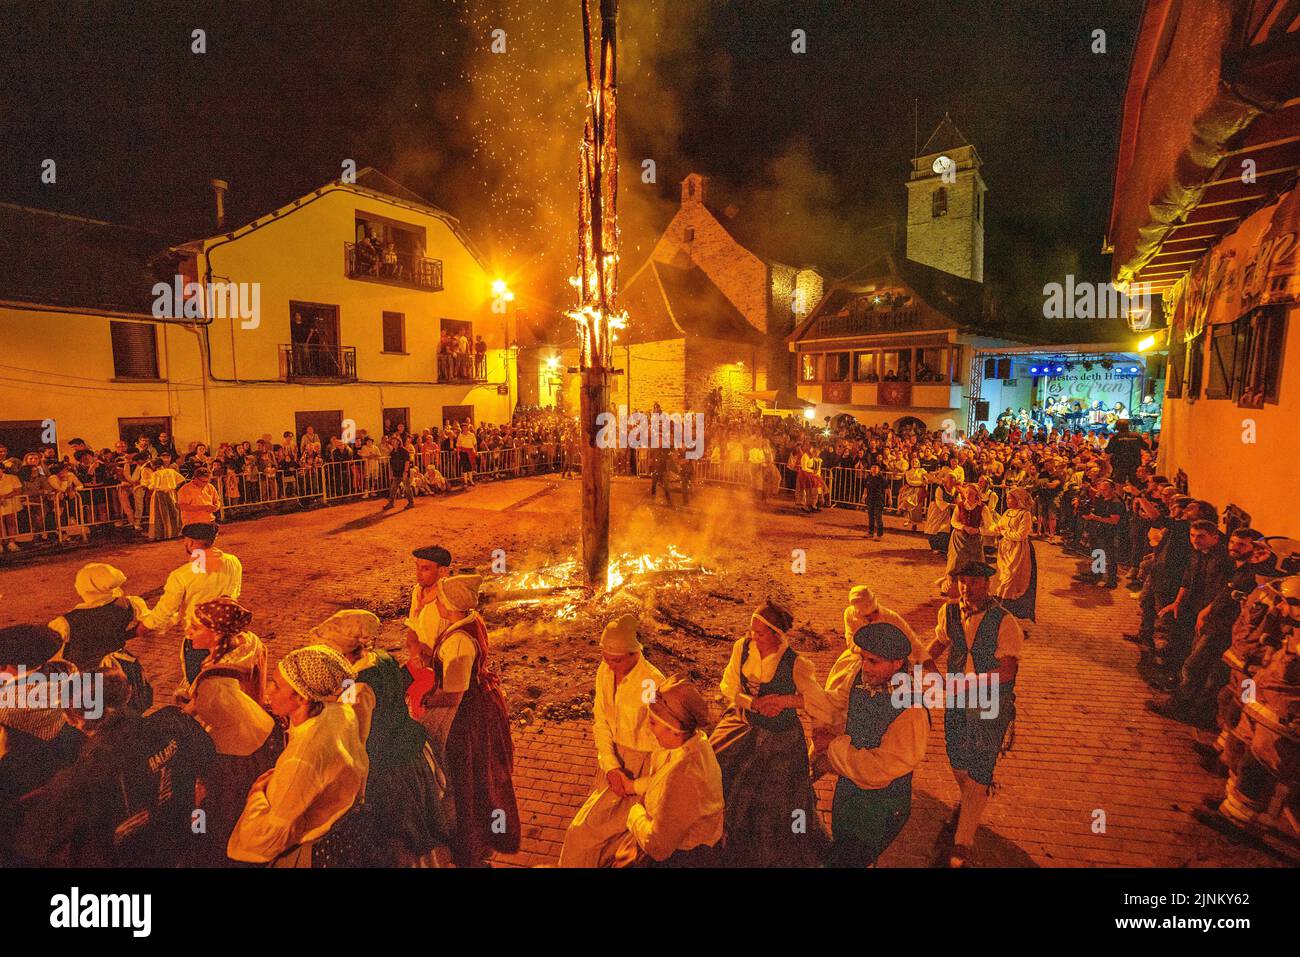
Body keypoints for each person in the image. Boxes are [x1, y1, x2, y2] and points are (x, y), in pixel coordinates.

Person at [14, 667, 216, 866]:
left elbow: (35, 841)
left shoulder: (85, 775)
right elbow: (207, 763)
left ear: (72, 717)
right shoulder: (174, 723)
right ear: (126, 694)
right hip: (178, 847)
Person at [312, 609, 451, 867]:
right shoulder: (381, 658)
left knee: (396, 838)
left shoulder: (359, 686)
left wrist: (358, 794)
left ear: (345, 652)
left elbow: (358, 739)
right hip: (410, 754)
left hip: (387, 769)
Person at [408, 572, 520, 866]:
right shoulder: (471, 622)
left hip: (466, 715)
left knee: (463, 777)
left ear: (450, 604)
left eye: (440, 598)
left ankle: (469, 846)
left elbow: (454, 694)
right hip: (482, 704)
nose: (437, 601)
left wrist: (426, 699)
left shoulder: (458, 641)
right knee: (480, 775)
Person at [709, 601, 831, 867]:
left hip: (780, 740)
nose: (754, 636)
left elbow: (819, 702)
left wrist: (785, 701)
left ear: (777, 634)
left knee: (773, 806)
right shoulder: (742, 649)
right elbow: (728, 686)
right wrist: (751, 702)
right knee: (717, 774)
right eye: (752, 630)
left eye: (761, 633)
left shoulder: (795, 664)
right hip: (744, 728)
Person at [227, 644, 370, 867]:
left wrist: (256, 795)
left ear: (302, 698)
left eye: (277, 686)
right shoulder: (339, 713)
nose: (268, 692)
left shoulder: (304, 756)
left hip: (311, 854)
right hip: (341, 839)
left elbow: (267, 838)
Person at [813, 622, 929, 868]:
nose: (864, 666)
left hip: (880, 806)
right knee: (842, 846)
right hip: (850, 794)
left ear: (897, 663)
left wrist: (833, 747)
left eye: (873, 661)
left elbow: (879, 770)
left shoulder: (911, 710)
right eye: (863, 658)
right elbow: (837, 704)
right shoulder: (861, 678)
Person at [931, 561, 1023, 867]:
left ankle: (962, 842)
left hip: (989, 700)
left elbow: (1007, 671)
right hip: (957, 697)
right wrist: (920, 665)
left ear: (988, 585)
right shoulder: (949, 613)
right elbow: (936, 646)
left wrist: (972, 683)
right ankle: (975, 795)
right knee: (956, 757)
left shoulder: (1005, 621)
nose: (967, 588)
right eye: (963, 582)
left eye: (974, 582)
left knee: (980, 764)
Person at [180, 597, 282, 865]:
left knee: (218, 813)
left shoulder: (212, 681)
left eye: (196, 627)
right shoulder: (244, 645)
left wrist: (190, 707)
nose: (188, 632)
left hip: (235, 754)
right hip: (260, 734)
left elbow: (205, 716)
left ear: (216, 634)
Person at [559, 613, 666, 867]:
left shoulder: (650, 682)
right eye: (605, 658)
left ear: (634, 653)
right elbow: (601, 721)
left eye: (616, 660)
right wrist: (611, 765)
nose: (610, 665)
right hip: (613, 765)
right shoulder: (605, 671)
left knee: (604, 838)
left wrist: (640, 784)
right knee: (593, 834)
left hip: (639, 769)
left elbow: (661, 738)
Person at [607, 674, 724, 867]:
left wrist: (635, 812)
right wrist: (632, 786)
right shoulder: (694, 742)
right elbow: (661, 781)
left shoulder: (684, 774)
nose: (648, 727)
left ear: (675, 728)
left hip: (684, 858)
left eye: (653, 722)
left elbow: (658, 847)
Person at [137, 522, 243, 689]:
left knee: (198, 689)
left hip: (198, 641)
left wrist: (145, 626)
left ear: (191, 543)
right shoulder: (233, 562)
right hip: (228, 636)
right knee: (226, 685)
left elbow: (165, 610)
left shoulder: (182, 575)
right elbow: (235, 594)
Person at [47, 562, 152, 711]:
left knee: (91, 713)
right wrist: (128, 634)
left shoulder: (66, 622)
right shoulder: (129, 604)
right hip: (122, 667)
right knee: (126, 706)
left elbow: (51, 656)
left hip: (88, 675)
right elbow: (151, 624)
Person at [993, 486, 1038, 622]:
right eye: (1007, 498)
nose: (1007, 500)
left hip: (1019, 549)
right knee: (1002, 576)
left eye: (1010, 498)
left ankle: (1008, 609)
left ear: (1017, 500)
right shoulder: (1007, 513)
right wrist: (995, 528)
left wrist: (1003, 532)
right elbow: (999, 525)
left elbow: (1021, 534)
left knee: (1012, 577)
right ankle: (1000, 609)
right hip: (1005, 548)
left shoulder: (1025, 515)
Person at [383, 436, 415, 510]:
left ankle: (411, 503)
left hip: (403, 472)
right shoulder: (393, 452)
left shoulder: (404, 451)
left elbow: (407, 461)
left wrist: (405, 472)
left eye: (395, 441)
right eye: (392, 441)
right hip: (396, 473)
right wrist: (391, 473)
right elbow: (391, 464)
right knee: (393, 488)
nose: (393, 443)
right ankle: (391, 503)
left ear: (398, 442)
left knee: (407, 488)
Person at [864, 462, 887, 539]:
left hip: (879, 499)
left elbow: (887, 489)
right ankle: (870, 533)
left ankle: (879, 535)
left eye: (876, 467)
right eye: (873, 467)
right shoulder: (868, 477)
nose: (874, 469)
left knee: (878, 517)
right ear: (870, 469)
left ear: (879, 469)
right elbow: (866, 487)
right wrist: (864, 495)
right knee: (870, 516)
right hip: (870, 499)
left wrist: (889, 499)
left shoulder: (882, 478)